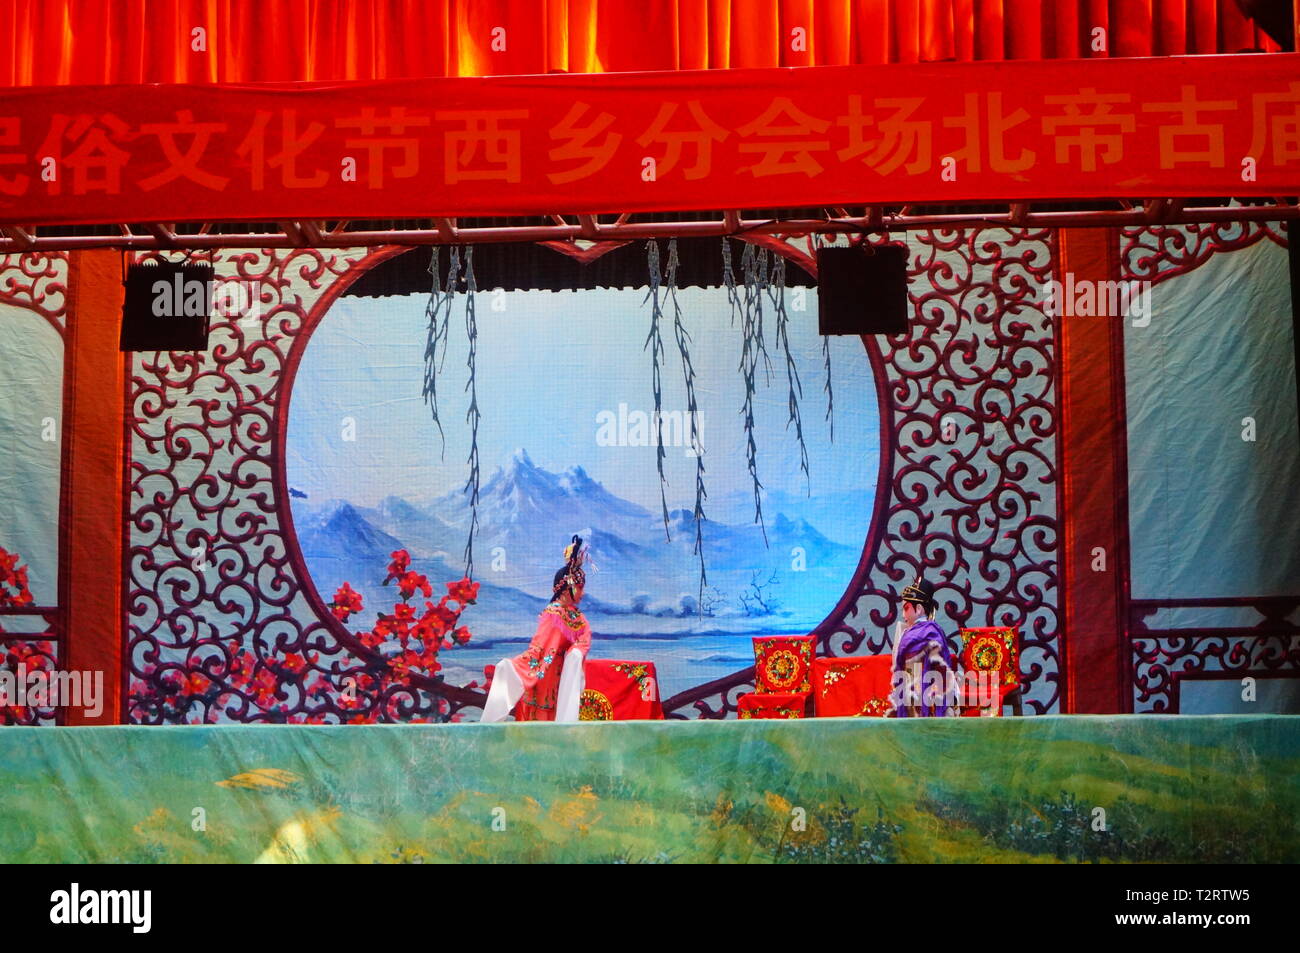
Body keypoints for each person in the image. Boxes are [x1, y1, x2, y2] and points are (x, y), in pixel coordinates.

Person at [481, 535, 592, 723]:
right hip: (545, 678)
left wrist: (575, 653)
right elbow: (539, 648)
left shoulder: (577, 616)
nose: (583, 593)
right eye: (580, 588)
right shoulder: (553, 614)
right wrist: (515, 667)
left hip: (561, 677)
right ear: (567, 589)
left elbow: (583, 639)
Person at [889, 575, 960, 717]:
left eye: (906, 608)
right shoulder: (934, 630)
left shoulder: (916, 634)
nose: (903, 615)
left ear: (919, 608)